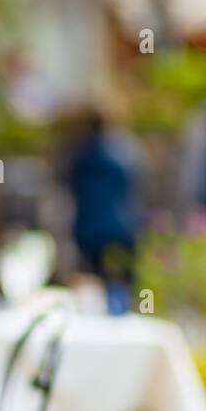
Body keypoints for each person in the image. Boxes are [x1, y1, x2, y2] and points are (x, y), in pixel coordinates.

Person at [67, 105, 144, 287]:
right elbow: (130, 188)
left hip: (88, 229)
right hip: (118, 226)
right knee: (124, 281)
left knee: (94, 282)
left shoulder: (79, 158)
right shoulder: (120, 155)